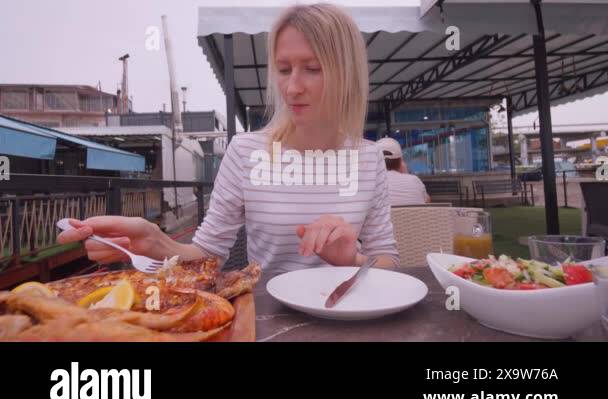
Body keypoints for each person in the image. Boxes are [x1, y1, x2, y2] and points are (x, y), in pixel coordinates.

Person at [58, 3, 399, 274]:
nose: (292, 87)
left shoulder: (368, 160)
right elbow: (208, 254)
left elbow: (388, 261)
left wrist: (351, 260)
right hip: (268, 322)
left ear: (347, 73)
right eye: (283, 69)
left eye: (313, 68)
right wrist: (156, 241)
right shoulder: (246, 151)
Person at [376, 137, 430, 206]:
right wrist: (406, 175)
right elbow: (427, 201)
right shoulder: (415, 180)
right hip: (413, 216)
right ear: (400, 161)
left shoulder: (371, 184)